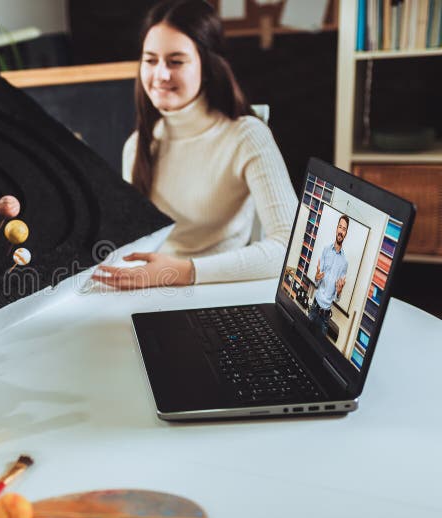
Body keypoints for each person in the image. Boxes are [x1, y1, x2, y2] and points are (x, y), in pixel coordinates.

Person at [93, 0, 297, 289]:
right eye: (150, 60)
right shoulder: (137, 145)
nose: (161, 75)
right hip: (152, 289)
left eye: (176, 61)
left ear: (207, 66)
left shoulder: (247, 136)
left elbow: (289, 249)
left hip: (219, 292)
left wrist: (184, 271)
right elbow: (130, 242)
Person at [308, 214, 349, 336]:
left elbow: (337, 298)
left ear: (346, 233)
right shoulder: (326, 250)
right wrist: (316, 277)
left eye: (344, 229)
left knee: (318, 351)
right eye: (340, 227)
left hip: (325, 317)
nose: (341, 231)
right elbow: (317, 283)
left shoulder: (345, 263)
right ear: (336, 228)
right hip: (314, 308)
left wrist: (340, 291)